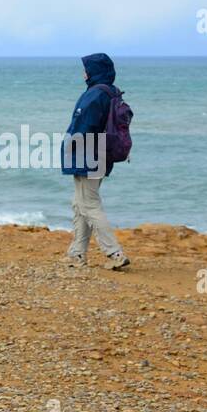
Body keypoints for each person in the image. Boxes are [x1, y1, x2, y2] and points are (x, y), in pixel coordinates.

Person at [62, 52, 130, 270]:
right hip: (101, 153)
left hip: (87, 153)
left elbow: (82, 126)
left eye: (86, 69)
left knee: (89, 203)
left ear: (93, 71)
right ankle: (77, 253)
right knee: (80, 203)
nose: (83, 73)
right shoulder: (111, 92)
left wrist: (70, 147)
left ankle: (114, 253)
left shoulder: (94, 95)